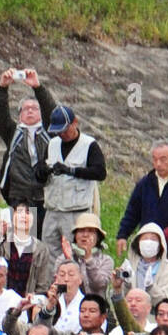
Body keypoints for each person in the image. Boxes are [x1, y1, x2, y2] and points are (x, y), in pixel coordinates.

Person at [35, 106, 106, 252]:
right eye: (58, 131)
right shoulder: (52, 144)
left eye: (65, 129)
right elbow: (39, 174)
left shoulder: (89, 145)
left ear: (75, 123)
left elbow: (100, 172)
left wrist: (72, 171)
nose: (62, 134)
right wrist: (43, 171)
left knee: (76, 252)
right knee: (48, 252)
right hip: (52, 210)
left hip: (77, 211)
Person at [0, 68, 57, 214]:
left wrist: (37, 87)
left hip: (46, 197)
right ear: (20, 115)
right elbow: (0, 117)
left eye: (34, 108)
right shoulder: (13, 133)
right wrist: (2, 88)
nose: (30, 111)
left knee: (45, 236)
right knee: (24, 235)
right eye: (25, 108)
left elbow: (52, 112)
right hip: (19, 197)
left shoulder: (49, 132)